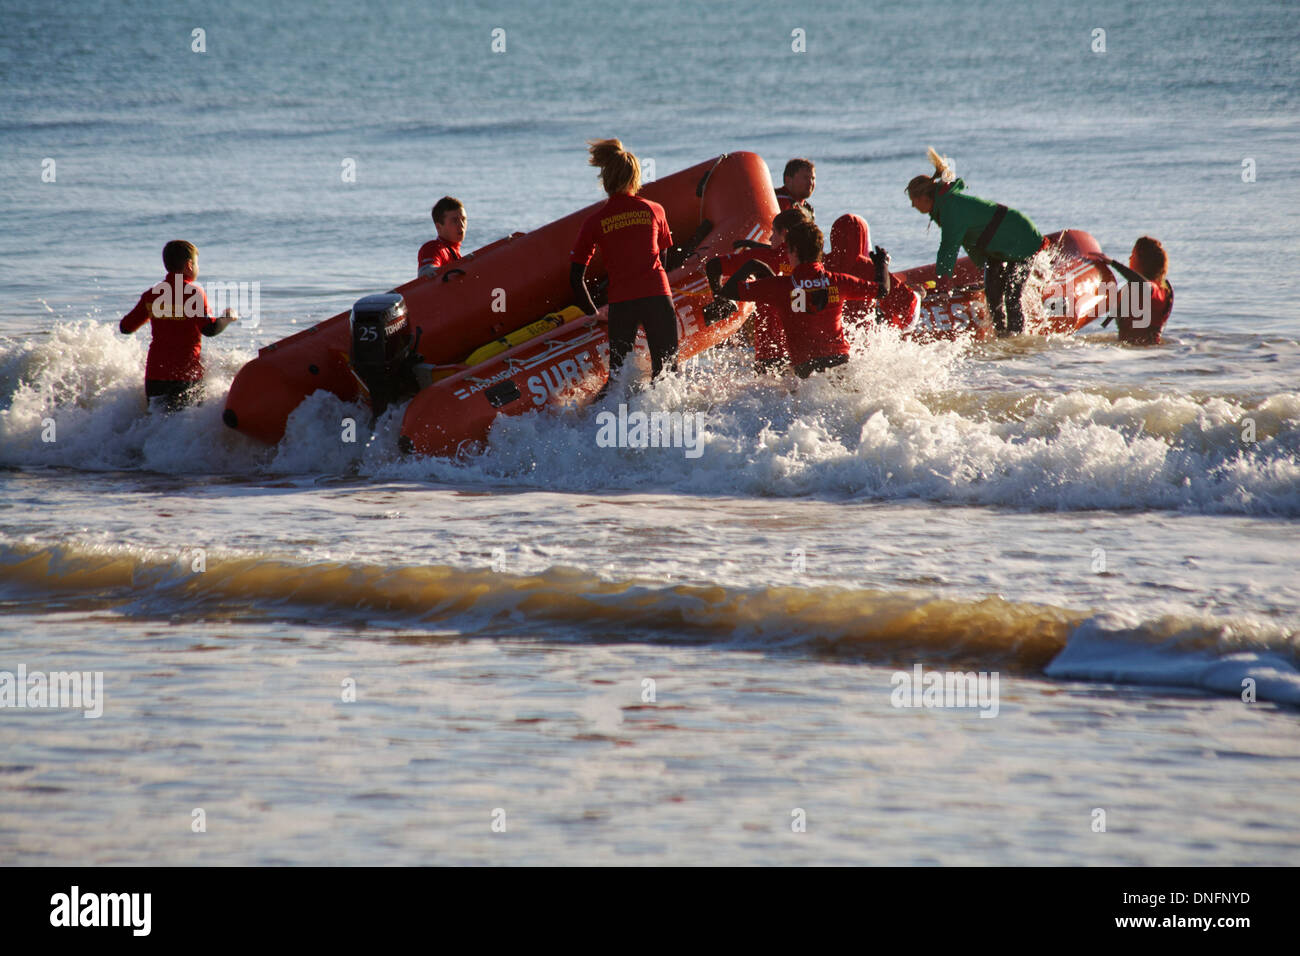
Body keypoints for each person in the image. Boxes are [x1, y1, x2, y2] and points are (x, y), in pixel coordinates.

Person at [570, 138, 678, 393]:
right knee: (667, 374)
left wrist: (593, 312)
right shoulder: (655, 210)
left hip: (621, 304)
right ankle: (666, 428)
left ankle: (595, 425)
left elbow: (575, 277)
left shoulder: (595, 221)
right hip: (657, 297)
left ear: (605, 180)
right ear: (635, 178)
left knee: (618, 380)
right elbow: (663, 260)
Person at [717, 218, 886, 379]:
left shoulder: (780, 286)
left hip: (806, 370)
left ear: (794, 251)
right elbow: (882, 290)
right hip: (840, 363)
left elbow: (729, 291)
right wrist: (882, 265)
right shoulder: (839, 281)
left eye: (787, 249)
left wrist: (751, 265)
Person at [906, 148, 1043, 336]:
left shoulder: (950, 207)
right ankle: (1003, 340)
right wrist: (978, 267)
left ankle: (1018, 343)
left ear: (922, 198)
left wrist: (943, 281)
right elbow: (968, 241)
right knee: (993, 297)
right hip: (996, 247)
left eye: (913, 201)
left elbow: (949, 246)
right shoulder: (943, 207)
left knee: (1011, 296)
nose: (913, 206)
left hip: (1020, 237)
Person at [119, 240, 237, 411]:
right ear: (189, 265)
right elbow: (210, 329)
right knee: (185, 425)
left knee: (156, 425)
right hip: (185, 374)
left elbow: (126, 328)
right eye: (197, 264)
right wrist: (227, 317)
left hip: (155, 374)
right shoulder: (193, 293)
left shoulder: (152, 295)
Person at [704, 205, 812, 372]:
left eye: (773, 232)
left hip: (770, 353)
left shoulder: (763, 257)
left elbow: (713, 266)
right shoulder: (815, 262)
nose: (769, 238)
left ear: (784, 233)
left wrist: (720, 299)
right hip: (805, 353)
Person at [825, 213, 918, 331]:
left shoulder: (821, 264)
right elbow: (906, 301)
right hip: (862, 336)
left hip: (829, 333)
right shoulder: (870, 267)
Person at [1092, 236, 1173, 345]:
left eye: (1133, 255)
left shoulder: (1159, 292)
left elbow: (1142, 284)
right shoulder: (1130, 290)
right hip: (1129, 354)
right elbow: (1102, 314)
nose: (1130, 258)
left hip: (1145, 355)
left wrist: (1113, 263)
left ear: (1143, 261)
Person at [417, 197, 466, 277]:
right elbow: (425, 274)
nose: (461, 225)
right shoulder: (433, 248)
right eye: (455, 220)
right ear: (438, 227)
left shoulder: (456, 255)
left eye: (463, 219)